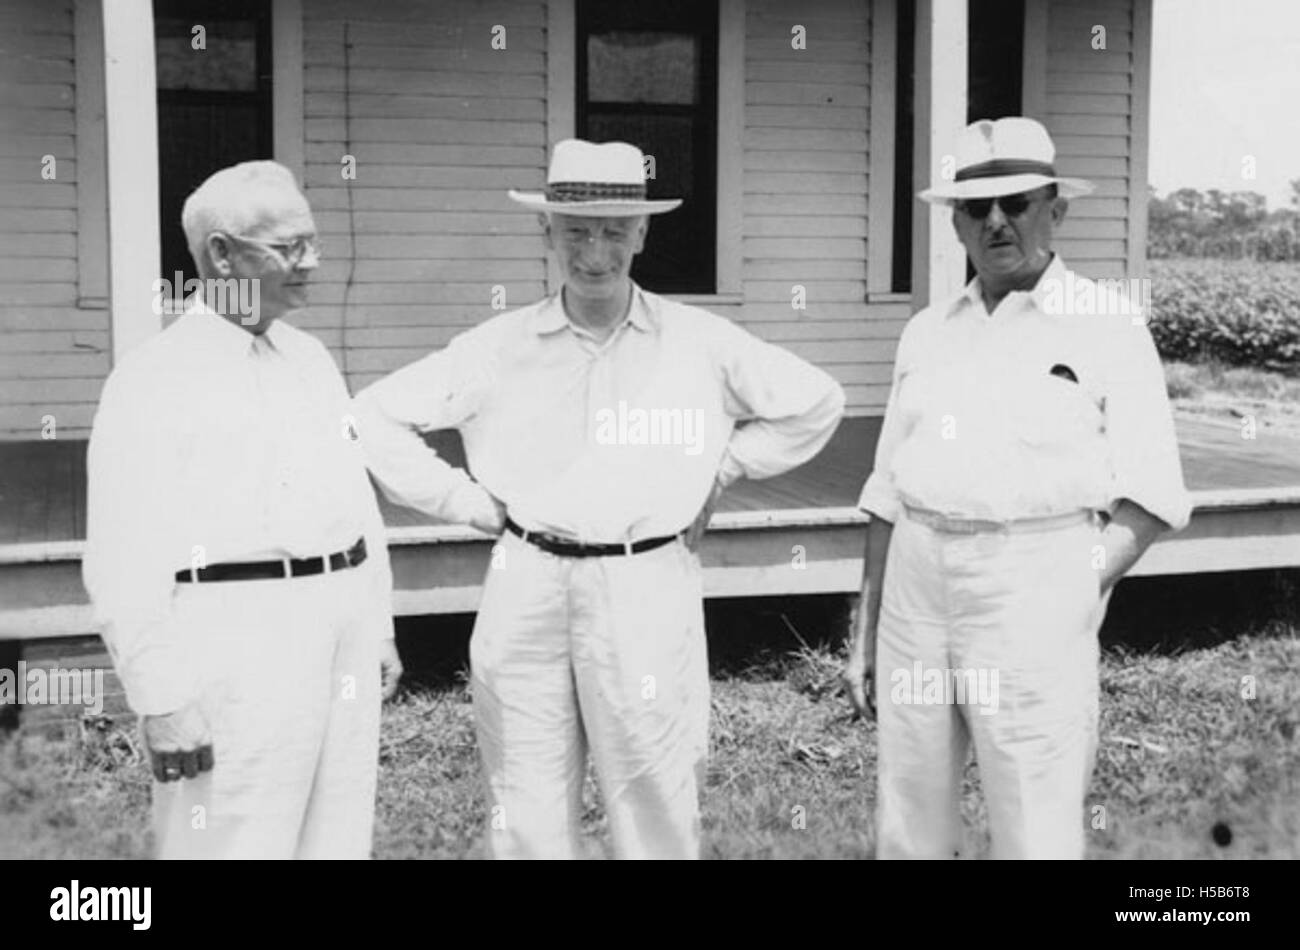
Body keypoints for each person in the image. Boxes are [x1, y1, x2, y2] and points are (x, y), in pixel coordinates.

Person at [354, 139, 846, 859]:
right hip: (527, 583)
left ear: (643, 232)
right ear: (545, 230)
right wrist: (467, 504)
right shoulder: (500, 345)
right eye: (576, 230)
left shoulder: (697, 342)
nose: (595, 251)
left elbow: (817, 401)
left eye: (615, 231)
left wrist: (727, 468)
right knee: (524, 806)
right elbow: (371, 415)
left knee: (654, 796)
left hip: (645, 582)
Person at [842, 118, 1192, 859]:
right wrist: (865, 626)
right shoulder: (929, 332)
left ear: (1055, 208)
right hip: (917, 587)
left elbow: (1153, 493)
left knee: (1035, 816)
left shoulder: (1110, 326)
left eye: (1017, 203)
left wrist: (1075, 582)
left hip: (1031, 582)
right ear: (956, 223)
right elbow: (887, 488)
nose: (996, 221)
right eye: (976, 209)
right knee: (910, 814)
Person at [83, 160, 402, 859]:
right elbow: (120, 557)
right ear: (221, 254)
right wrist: (161, 697)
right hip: (235, 645)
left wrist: (375, 623)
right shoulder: (152, 379)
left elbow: (355, 501)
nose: (311, 263)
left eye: (312, 243)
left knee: (336, 839)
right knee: (231, 839)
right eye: (288, 248)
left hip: (339, 631)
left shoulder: (311, 358)